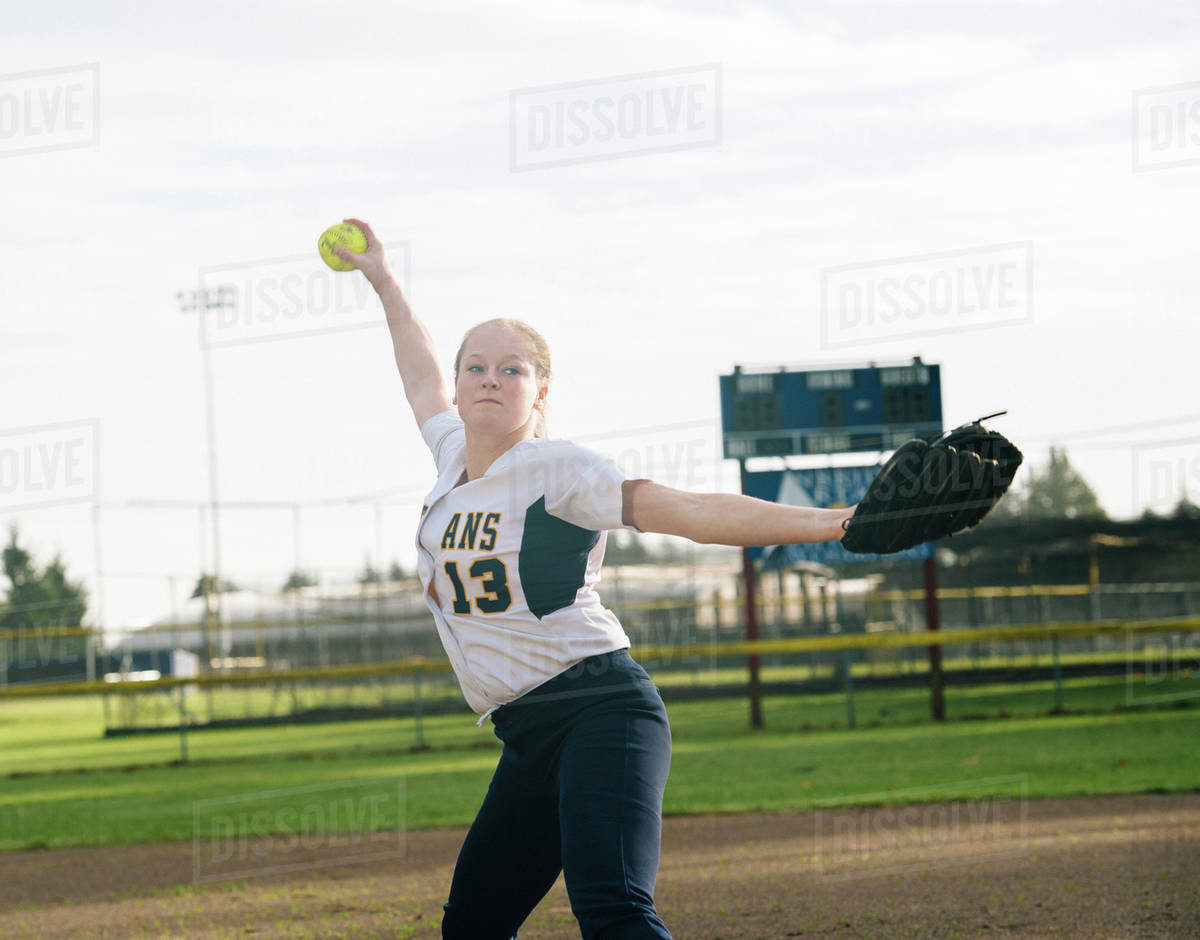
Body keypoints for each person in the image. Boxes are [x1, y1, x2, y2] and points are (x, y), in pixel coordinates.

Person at [335, 219, 855, 940]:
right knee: (473, 929)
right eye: (476, 366)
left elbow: (691, 511)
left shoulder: (559, 471)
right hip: (525, 737)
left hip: (599, 712)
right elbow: (415, 369)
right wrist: (385, 280)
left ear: (540, 391)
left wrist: (834, 523)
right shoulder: (452, 455)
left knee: (611, 909)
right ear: (458, 387)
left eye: (513, 369)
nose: (491, 378)